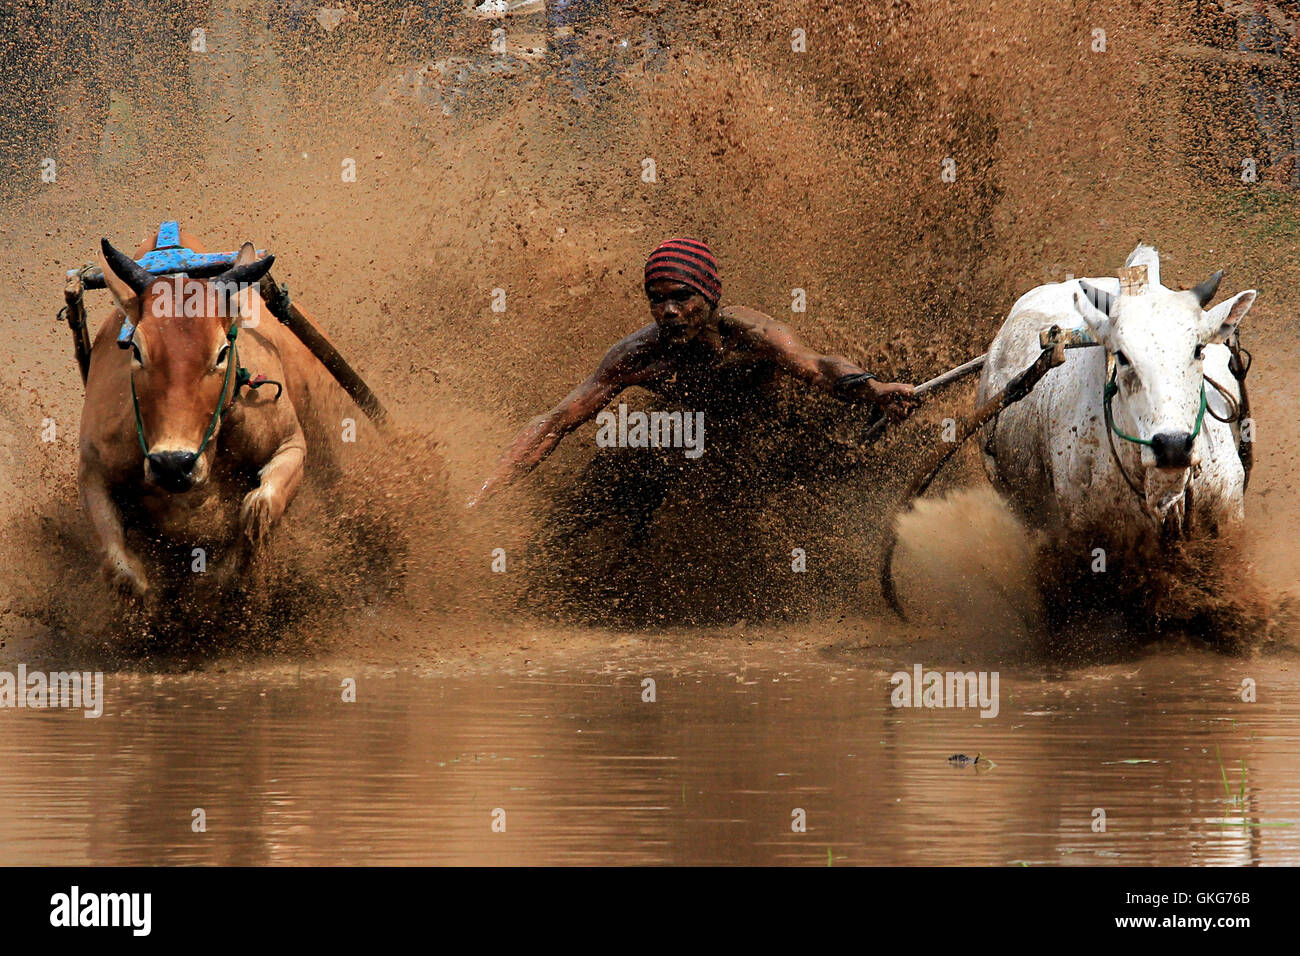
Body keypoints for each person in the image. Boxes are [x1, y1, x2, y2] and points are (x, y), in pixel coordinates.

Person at [468, 238, 918, 509]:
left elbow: (818, 367)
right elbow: (556, 422)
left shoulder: (751, 332)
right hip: (710, 447)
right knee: (614, 478)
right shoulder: (637, 355)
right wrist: (486, 490)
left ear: (709, 295)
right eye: (657, 300)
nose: (669, 311)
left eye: (681, 297)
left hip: (790, 429)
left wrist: (875, 389)